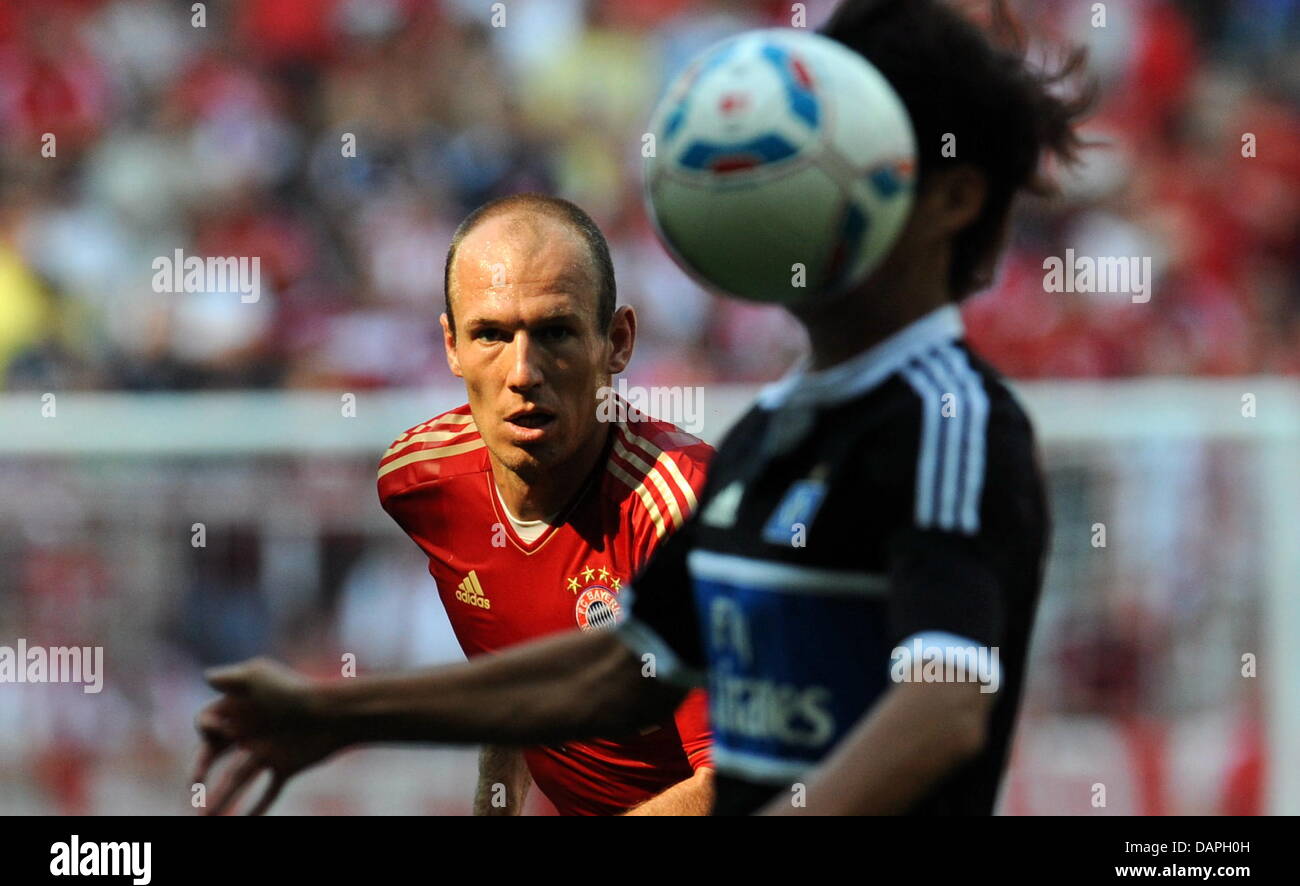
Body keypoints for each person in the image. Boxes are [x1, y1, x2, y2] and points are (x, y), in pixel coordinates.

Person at [194, 0, 1089, 816]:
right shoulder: (775, 435)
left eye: (830, 144)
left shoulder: (948, 420)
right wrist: (332, 712)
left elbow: (942, 707)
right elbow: (628, 666)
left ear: (948, 198)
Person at [204, 194, 716, 816]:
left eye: (554, 331)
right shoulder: (422, 483)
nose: (523, 371)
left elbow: (736, 785)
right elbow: (514, 674)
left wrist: (334, 715)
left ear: (618, 342)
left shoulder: (686, 511)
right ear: (451, 346)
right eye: (491, 334)